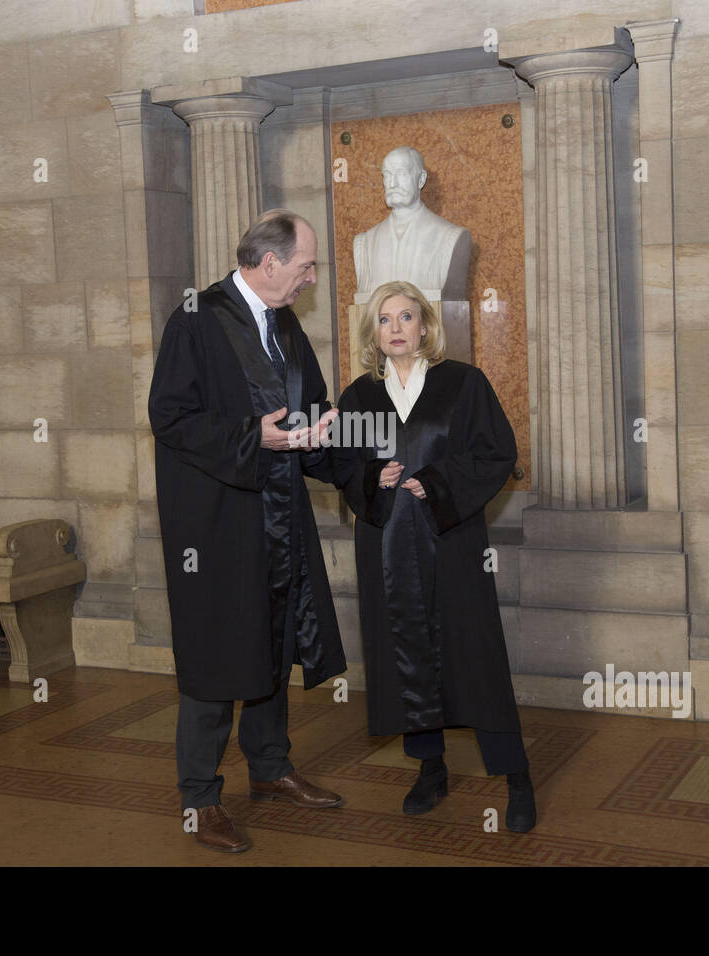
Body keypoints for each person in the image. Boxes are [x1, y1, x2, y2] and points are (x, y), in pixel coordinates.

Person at [147, 209, 347, 854]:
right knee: (216, 654)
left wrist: (326, 437)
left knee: (272, 640)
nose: (310, 278)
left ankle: (269, 767)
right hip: (218, 524)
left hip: (280, 516)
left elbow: (308, 411)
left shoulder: (285, 324)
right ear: (268, 264)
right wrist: (248, 435)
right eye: (305, 266)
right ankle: (200, 798)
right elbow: (170, 417)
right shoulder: (195, 319)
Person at [332, 279, 536, 832]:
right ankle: (429, 768)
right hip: (388, 548)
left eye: (405, 317)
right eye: (384, 320)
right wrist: (375, 476)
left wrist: (440, 482)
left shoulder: (462, 385)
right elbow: (343, 465)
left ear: (425, 325)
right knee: (405, 654)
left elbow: (498, 453)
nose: (395, 328)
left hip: (451, 545)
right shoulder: (359, 397)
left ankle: (515, 775)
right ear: (372, 333)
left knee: (476, 656)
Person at [352, 146, 472, 301]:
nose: (392, 183)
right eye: (387, 175)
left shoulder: (450, 237)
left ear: (421, 179)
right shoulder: (365, 243)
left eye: (401, 173)